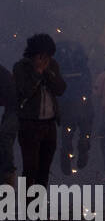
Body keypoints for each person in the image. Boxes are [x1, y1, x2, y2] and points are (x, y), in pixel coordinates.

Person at [13, 34, 66, 189]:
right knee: (30, 168)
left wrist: (48, 73)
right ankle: (27, 206)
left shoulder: (53, 65)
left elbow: (61, 89)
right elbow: (24, 92)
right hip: (29, 123)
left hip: (49, 124)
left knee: (44, 169)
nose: (46, 59)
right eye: (43, 55)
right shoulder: (21, 68)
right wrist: (37, 73)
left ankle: (38, 207)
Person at [58, 43, 93, 176]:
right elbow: (89, 87)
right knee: (85, 130)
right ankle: (83, 145)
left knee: (67, 134)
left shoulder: (63, 68)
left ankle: (66, 156)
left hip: (67, 104)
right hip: (84, 104)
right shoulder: (84, 68)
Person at [0, 58, 17, 191]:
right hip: (12, 108)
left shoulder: (4, 76)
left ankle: (7, 175)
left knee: (5, 138)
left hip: (16, 108)